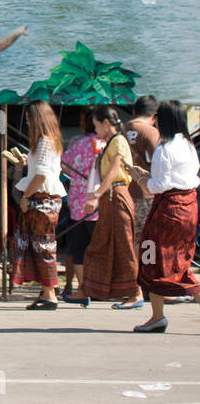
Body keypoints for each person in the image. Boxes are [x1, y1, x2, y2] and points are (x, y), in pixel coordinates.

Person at [125, 99, 200, 332]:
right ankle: (157, 315)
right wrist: (147, 175)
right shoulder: (187, 145)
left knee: (152, 258)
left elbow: (158, 186)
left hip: (168, 209)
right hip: (189, 205)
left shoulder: (165, 148)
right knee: (181, 261)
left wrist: (137, 177)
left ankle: (157, 316)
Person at [82, 105, 143, 307]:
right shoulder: (112, 141)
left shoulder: (118, 141)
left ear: (106, 123)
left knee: (124, 245)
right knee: (100, 244)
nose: (96, 130)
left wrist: (96, 195)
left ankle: (135, 292)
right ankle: (88, 290)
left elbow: (114, 170)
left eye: (97, 125)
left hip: (117, 196)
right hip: (109, 198)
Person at [10, 101, 65, 309]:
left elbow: (41, 175)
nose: (27, 123)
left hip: (42, 199)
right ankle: (46, 291)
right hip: (46, 198)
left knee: (42, 245)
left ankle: (50, 293)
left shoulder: (44, 142)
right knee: (40, 245)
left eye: (29, 119)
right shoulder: (50, 141)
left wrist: (26, 197)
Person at [60, 110, 104, 304]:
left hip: (78, 202)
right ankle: (101, 287)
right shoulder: (105, 144)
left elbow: (65, 165)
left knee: (79, 249)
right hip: (100, 201)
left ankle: (83, 289)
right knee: (100, 248)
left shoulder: (78, 144)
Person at [125, 96, 161, 245]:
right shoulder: (151, 132)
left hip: (123, 193)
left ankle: (130, 269)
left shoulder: (121, 129)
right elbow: (158, 164)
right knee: (148, 240)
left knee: (128, 239)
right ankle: (144, 267)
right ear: (154, 115)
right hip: (146, 193)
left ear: (134, 111)